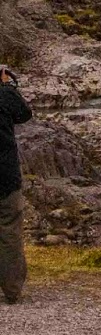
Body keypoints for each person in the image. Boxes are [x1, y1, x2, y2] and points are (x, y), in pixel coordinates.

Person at [0, 65, 32, 305]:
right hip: (5, 174)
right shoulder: (4, 95)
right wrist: (8, 86)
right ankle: (11, 289)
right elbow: (23, 113)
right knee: (9, 229)